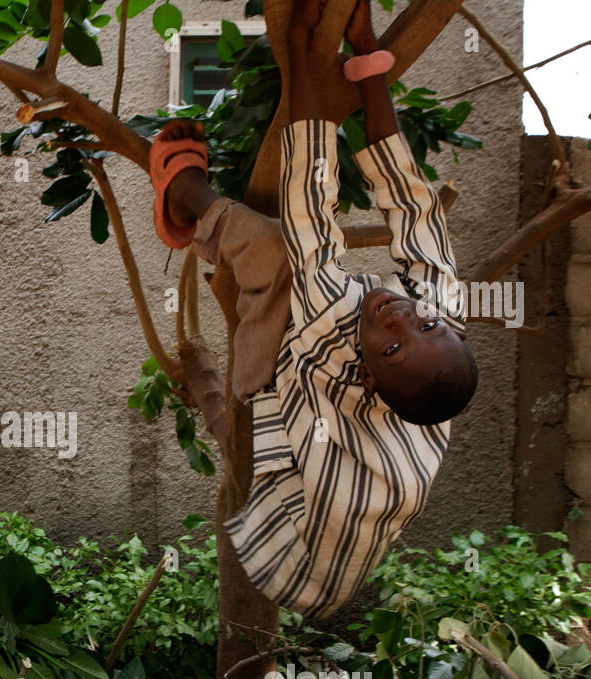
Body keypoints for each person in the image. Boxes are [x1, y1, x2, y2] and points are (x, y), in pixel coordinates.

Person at [148, 0, 478, 619]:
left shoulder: (334, 329)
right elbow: (411, 202)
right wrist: (367, 54)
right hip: (350, 378)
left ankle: (185, 200)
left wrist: (298, 52)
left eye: (391, 345)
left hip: (281, 380)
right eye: (421, 322)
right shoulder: (436, 311)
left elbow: (310, 204)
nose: (395, 314)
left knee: (276, 246)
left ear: (369, 375)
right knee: (310, 253)